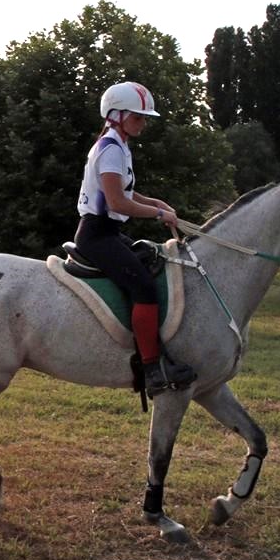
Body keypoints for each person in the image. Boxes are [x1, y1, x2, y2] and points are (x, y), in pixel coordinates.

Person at [75, 82, 196, 398]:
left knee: (150, 266)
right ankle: (152, 369)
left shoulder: (118, 145)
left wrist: (155, 201)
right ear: (117, 115)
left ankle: (156, 352)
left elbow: (125, 192)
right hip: (97, 234)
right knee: (143, 287)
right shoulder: (112, 148)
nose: (143, 123)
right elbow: (117, 203)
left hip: (108, 232)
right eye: (138, 117)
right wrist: (159, 216)